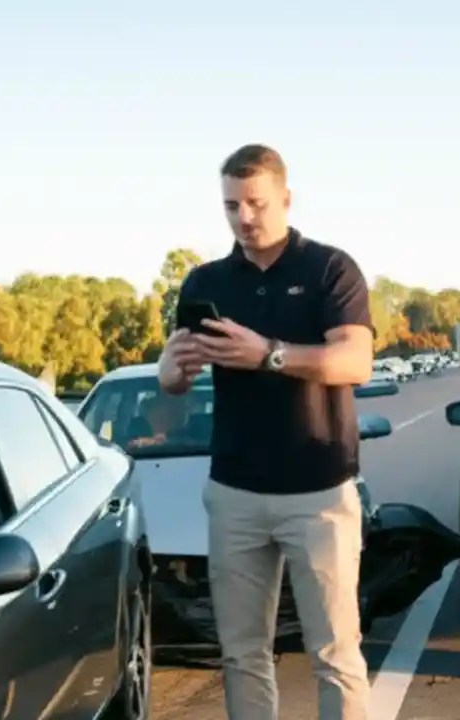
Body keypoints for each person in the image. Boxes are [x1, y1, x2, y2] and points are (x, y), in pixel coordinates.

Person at [157, 144, 375, 719]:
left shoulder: (329, 268)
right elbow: (175, 383)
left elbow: (355, 362)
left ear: (285, 198)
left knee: (334, 650)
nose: (244, 218)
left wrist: (268, 355)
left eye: (255, 203)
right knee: (243, 654)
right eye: (231, 206)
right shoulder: (207, 280)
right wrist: (170, 370)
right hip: (235, 494)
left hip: (319, 494)